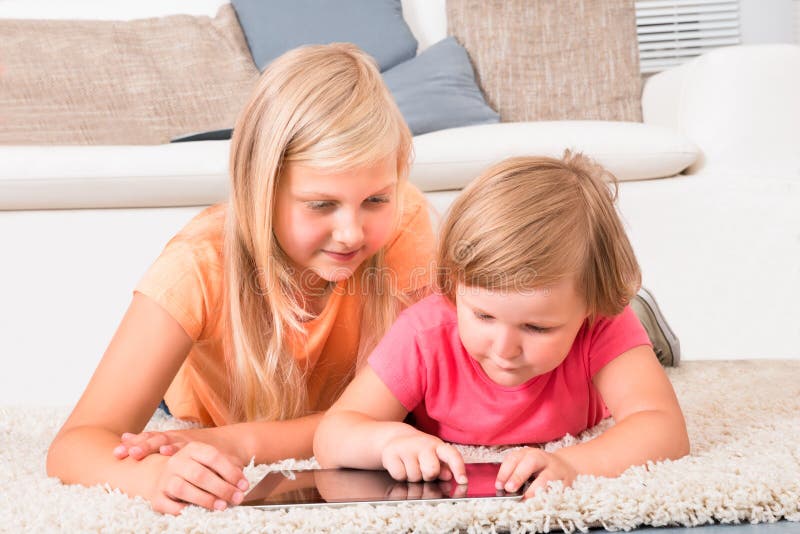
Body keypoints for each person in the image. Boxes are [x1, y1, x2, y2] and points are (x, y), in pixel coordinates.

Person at [46, 43, 436, 515]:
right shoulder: (197, 263)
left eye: (376, 200)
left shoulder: (406, 226)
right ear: (260, 191)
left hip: (262, 421)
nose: (352, 232)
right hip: (208, 400)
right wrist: (152, 476)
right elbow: (74, 445)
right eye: (320, 204)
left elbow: (402, 411)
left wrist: (236, 442)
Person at [314, 153, 690, 497]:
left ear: (588, 312)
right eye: (483, 316)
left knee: (634, 327)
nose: (504, 349)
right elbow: (333, 434)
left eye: (537, 328)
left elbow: (663, 428)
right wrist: (386, 442)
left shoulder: (602, 322)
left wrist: (574, 464)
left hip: (612, 321)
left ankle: (644, 317)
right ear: (452, 286)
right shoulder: (423, 333)